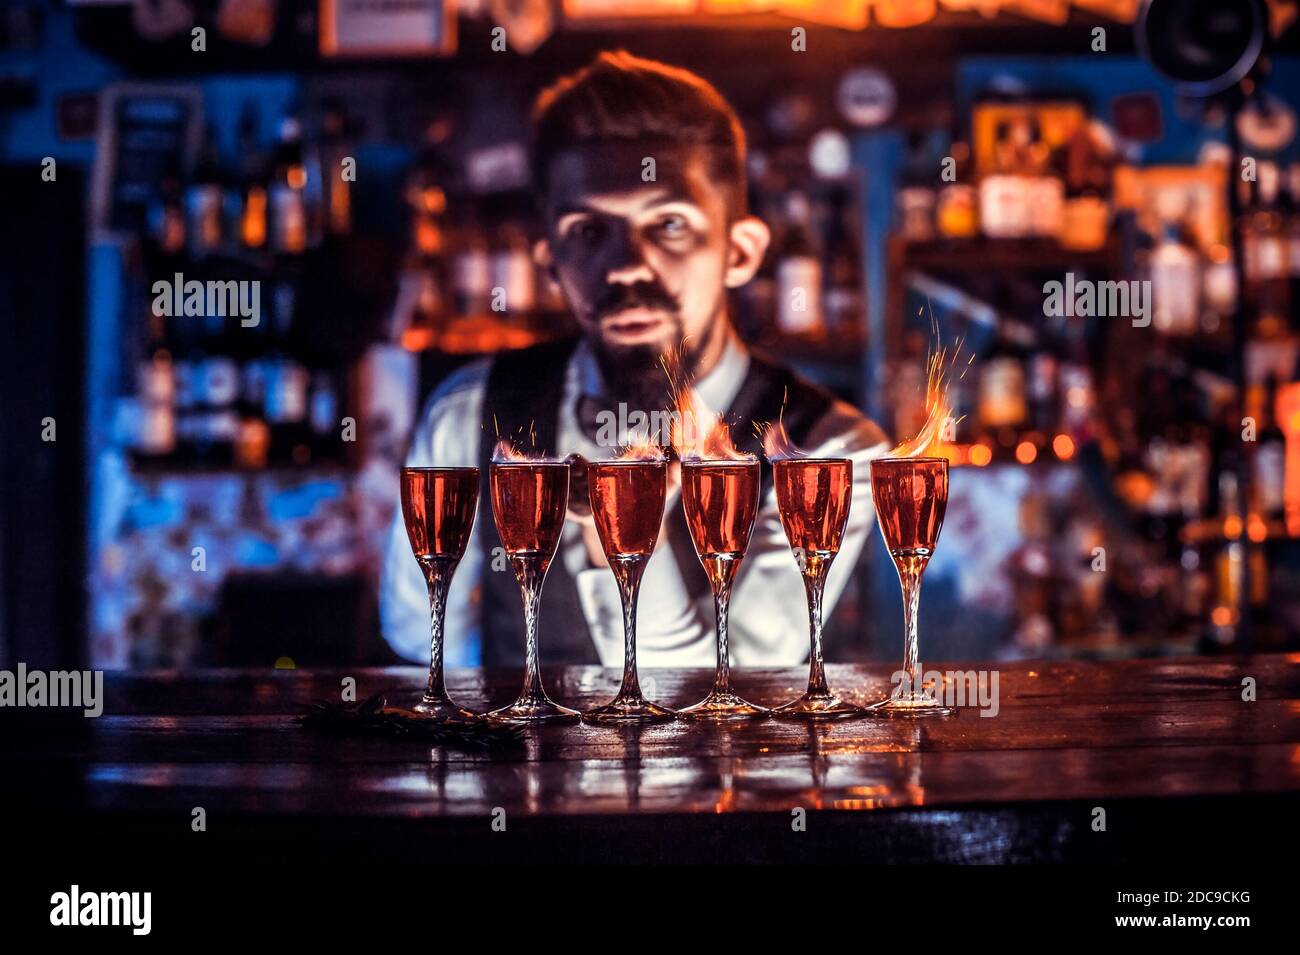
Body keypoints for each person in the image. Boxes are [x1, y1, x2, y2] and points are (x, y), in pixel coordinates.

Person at [381, 50, 889, 668]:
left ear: (741, 251)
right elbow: (420, 636)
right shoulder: (468, 411)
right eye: (589, 232)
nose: (626, 265)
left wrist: (610, 536)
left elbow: (738, 684)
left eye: (670, 224)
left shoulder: (832, 452)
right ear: (550, 264)